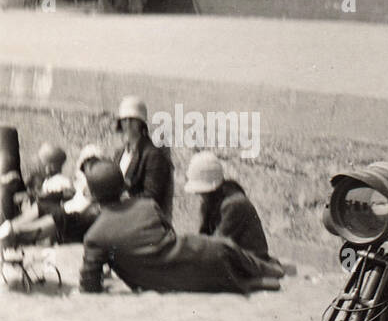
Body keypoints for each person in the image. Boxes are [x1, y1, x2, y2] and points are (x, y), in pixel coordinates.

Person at [78, 160, 282, 295]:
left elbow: (89, 284)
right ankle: (265, 272)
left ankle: (258, 280)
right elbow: (170, 234)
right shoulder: (146, 205)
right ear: (122, 187)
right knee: (233, 258)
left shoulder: (94, 236)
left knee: (231, 280)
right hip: (200, 251)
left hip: (174, 281)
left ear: (94, 196)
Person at [184, 151, 281, 272]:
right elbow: (204, 236)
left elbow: (217, 244)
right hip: (232, 254)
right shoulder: (211, 201)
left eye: (201, 191)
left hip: (251, 259)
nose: (198, 194)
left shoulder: (234, 204)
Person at [113, 96, 175, 221]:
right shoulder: (120, 153)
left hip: (142, 219)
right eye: (125, 120)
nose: (128, 124)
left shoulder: (153, 155)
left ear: (141, 123)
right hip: (119, 214)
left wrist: (123, 200)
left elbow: (152, 196)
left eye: (133, 120)